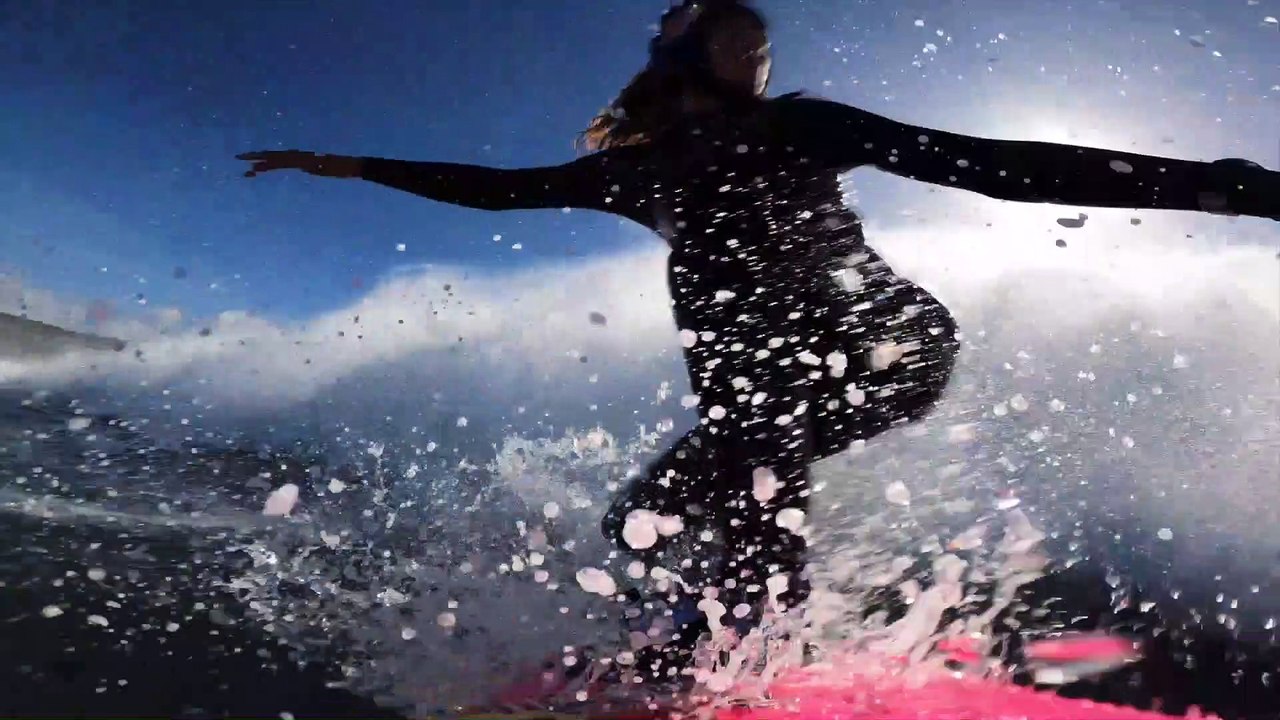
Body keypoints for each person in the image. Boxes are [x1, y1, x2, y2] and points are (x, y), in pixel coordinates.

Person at [239, 0, 1278, 684]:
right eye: (739, 32)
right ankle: (733, 633)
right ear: (683, 47)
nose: (761, 47)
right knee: (642, 516)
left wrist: (1215, 184)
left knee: (753, 427)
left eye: (762, 39)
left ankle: (746, 645)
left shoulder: (798, 126)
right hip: (774, 385)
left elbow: (984, 164)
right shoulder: (632, 172)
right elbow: (495, 188)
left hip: (884, 343)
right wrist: (349, 164)